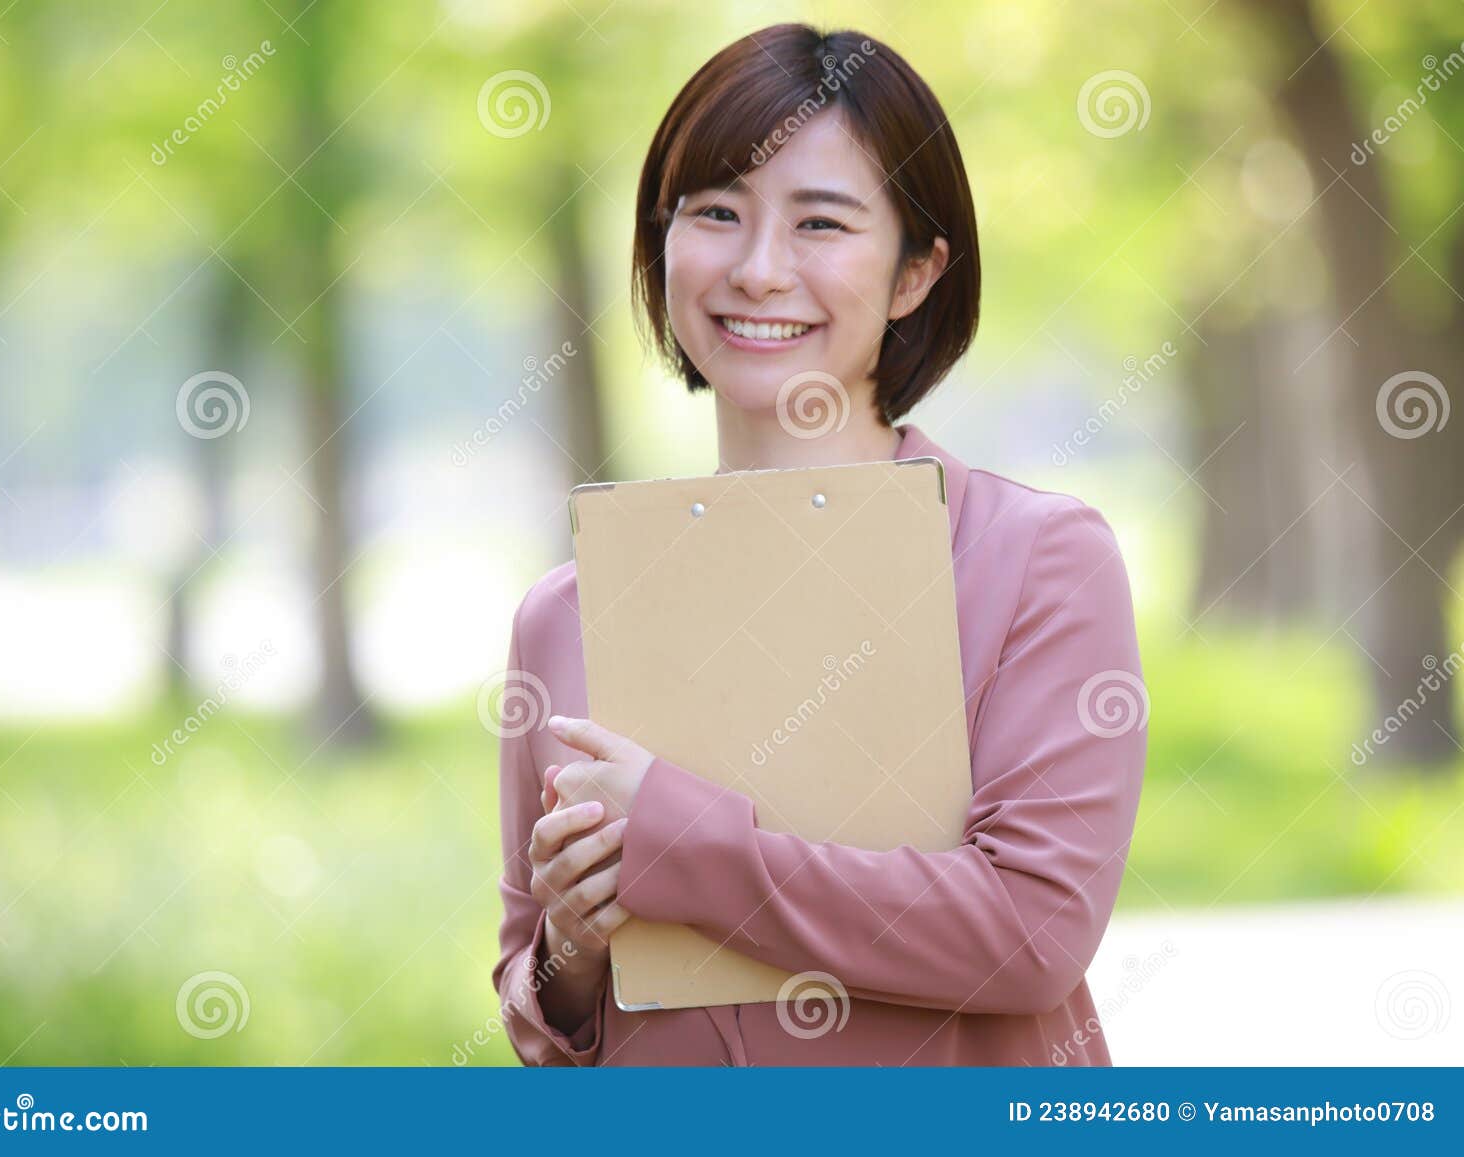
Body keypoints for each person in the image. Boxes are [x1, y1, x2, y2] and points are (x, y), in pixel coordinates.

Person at [491, 22, 1147, 1066]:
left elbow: (1031, 935)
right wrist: (568, 944)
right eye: (714, 214)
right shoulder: (565, 612)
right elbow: (544, 1010)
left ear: (916, 273)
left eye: (821, 223)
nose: (757, 269)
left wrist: (681, 844)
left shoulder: (1035, 562)